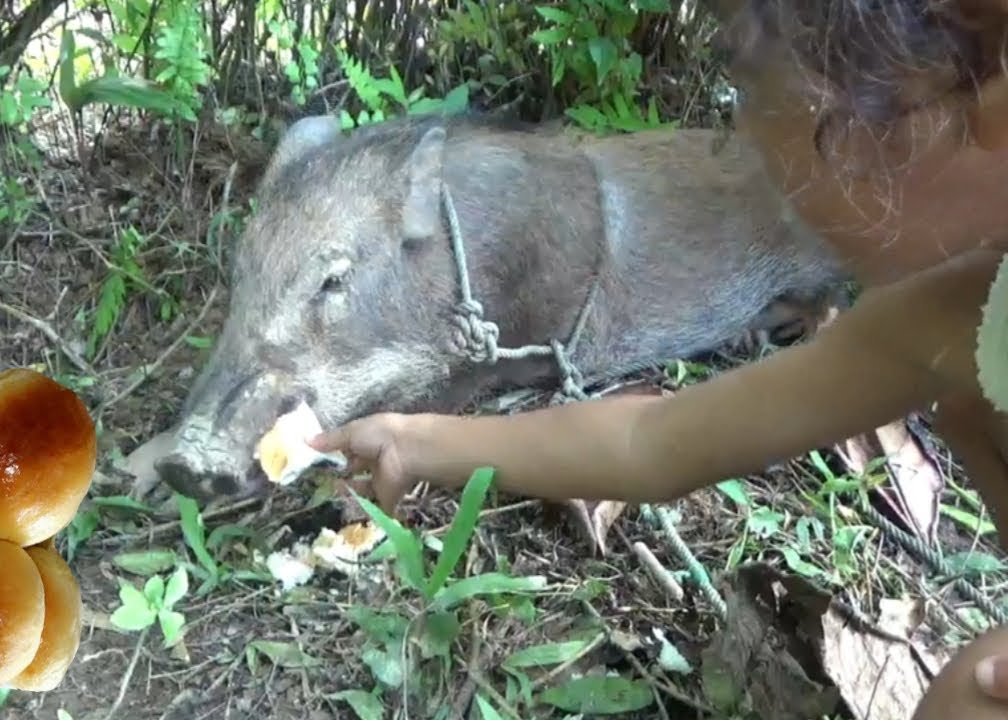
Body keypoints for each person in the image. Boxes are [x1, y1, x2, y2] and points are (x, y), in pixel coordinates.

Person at [309, 0, 1008, 716]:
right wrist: (411, 441)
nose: (746, 130)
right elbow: (656, 441)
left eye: (759, 72)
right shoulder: (954, 315)